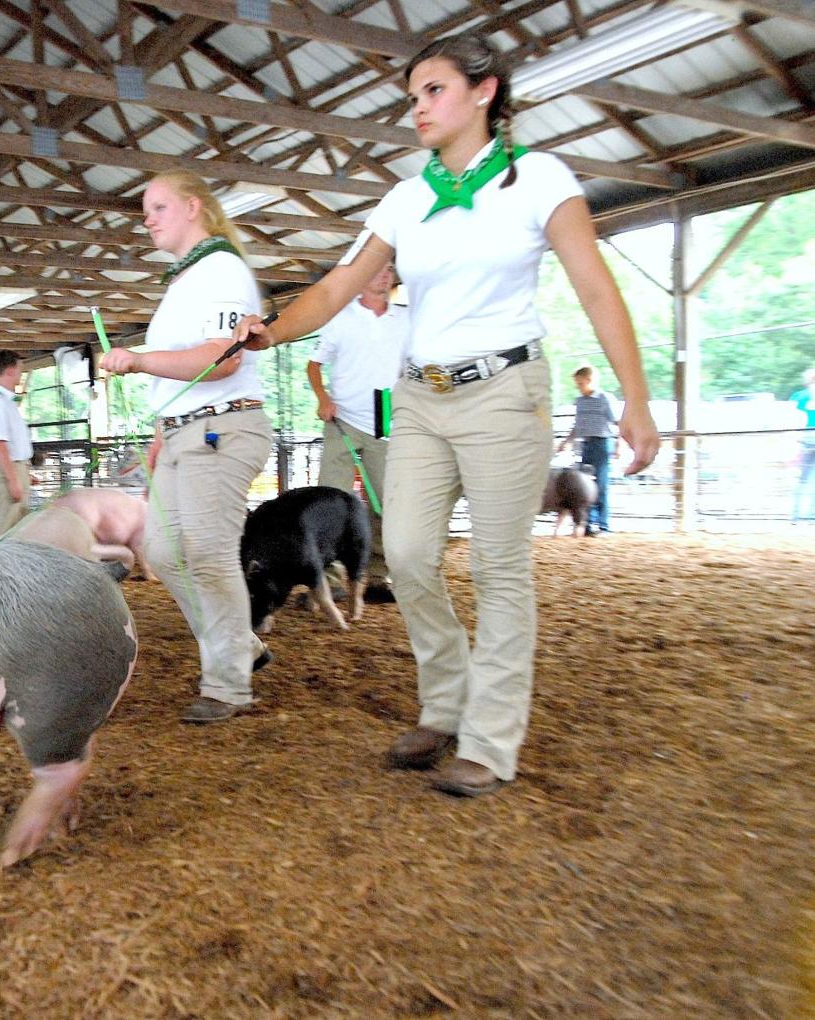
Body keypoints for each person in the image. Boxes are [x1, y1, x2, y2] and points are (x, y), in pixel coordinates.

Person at [232, 32, 660, 795]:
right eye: (413, 96)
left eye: (433, 91)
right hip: (420, 396)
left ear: (484, 91)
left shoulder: (538, 179)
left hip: (505, 392)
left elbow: (595, 285)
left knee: (498, 570)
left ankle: (490, 743)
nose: (418, 108)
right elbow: (337, 286)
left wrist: (638, 395)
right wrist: (273, 326)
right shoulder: (406, 197)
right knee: (412, 553)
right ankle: (446, 702)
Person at [100, 169, 272, 724]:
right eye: (146, 209)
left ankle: (227, 685)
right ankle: (239, 645)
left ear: (194, 207)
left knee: (208, 553)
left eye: (158, 207)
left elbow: (223, 359)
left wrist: (138, 360)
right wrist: (159, 433)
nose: (147, 218)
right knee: (164, 551)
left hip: (222, 429)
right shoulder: (185, 280)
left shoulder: (221, 270)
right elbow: (183, 376)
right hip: (182, 432)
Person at [306, 260, 410, 599]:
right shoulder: (341, 317)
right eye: (377, 268)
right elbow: (314, 364)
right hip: (343, 416)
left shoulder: (406, 319)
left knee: (386, 500)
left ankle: (379, 574)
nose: (384, 274)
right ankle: (332, 578)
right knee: (332, 499)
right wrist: (323, 398)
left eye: (389, 269)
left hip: (385, 417)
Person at [557, 365, 620, 535]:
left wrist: (619, 444)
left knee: (600, 484)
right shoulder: (580, 402)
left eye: (580, 383)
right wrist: (567, 441)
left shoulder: (605, 399)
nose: (579, 387)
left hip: (602, 443)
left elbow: (617, 422)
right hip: (585, 443)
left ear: (590, 381)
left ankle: (603, 525)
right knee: (585, 484)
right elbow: (578, 425)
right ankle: (588, 524)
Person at [0, 349, 34, 536]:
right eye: (20, 368)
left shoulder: (5, 401)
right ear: (10, 369)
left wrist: (24, 473)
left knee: (19, 522)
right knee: (6, 523)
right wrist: (13, 480)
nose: (21, 373)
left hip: (15, 467)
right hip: (8, 469)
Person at [793, 367, 815, 522]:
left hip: (805, 438)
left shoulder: (799, 396)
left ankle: (797, 516)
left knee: (803, 478)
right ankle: (809, 515)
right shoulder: (801, 396)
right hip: (808, 437)